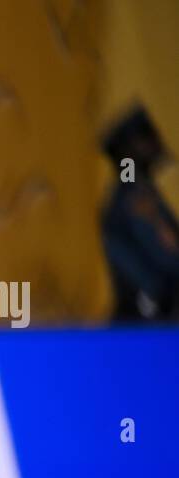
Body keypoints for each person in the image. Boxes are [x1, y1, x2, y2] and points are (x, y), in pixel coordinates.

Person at [100, 106, 179, 322]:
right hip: (149, 312)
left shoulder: (138, 189)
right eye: (145, 140)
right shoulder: (134, 194)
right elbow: (167, 252)